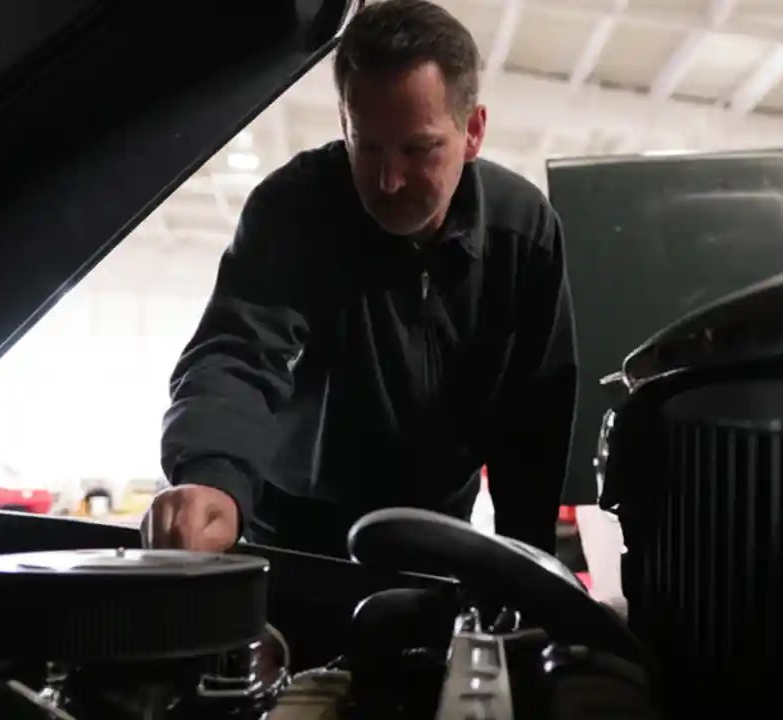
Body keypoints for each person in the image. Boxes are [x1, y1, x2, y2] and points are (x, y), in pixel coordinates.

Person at [143, 0, 577, 558]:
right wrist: (211, 475)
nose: (389, 181)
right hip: (295, 536)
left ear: (473, 131)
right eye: (366, 146)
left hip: (439, 535)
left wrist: (529, 569)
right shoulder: (293, 210)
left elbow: (535, 416)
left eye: (418, 149)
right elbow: (239, 353)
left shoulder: (524, 232)